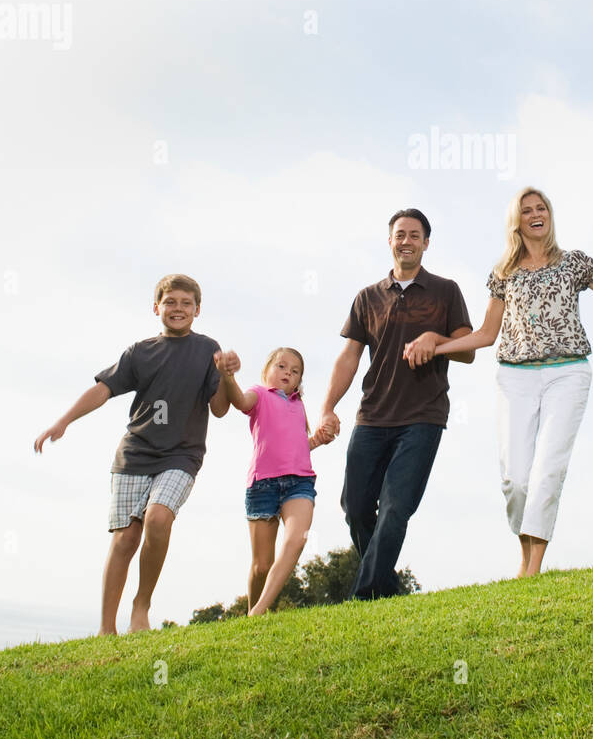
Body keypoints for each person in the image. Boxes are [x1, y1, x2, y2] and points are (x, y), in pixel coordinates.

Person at [408, 187, 593, 577]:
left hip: (568, 372)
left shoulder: (574, 262)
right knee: (515, 478)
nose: (535, 214)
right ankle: (525, 552)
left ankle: (532, 569)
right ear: (518, 221)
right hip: (515, 376)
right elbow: (485, 334)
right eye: (526, 210)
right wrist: (438, 345)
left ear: (549, 215)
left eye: (541, 207)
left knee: (548, 469)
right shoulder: (503, 272)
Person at [33, 274, 234, 633]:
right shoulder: (140, 352)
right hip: (135, 454)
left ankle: (142, 604)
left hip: (181, 456)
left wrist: (226, 376)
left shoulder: (208, 350)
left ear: (197, 310)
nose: (178, 309)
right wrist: (63, 421)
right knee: (125, 538)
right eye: (170, 302)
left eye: (186, 303)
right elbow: (103, 389)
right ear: (156, 307)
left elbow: (219, 409)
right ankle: (106, 629)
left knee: (158, 518)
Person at [316, 209, 473, 601]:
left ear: (426, 243)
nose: (407, 241)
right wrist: (328, 407)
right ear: (389, 241)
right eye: (400, 234)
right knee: (354, 507)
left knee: (395, 507)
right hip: (372, 416)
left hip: (423, 416)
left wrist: (434, 339)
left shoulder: (446, 290)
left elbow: (469, 348)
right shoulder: (367, 297)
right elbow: (349, 355)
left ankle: (365, 594)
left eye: (414, 235)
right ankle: (387, 589)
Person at [217, 346, 336, 616]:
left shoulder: (298, 404)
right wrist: (228, 377)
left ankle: (258, 611)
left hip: (299, 482)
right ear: (267, 370)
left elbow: (297, 448)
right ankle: (254, 617)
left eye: (295, 372)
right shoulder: (259, 394)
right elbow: (239, 401)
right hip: (263, 485)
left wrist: (317, 439)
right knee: (261, 565)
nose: (288, 373)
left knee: (296, 540)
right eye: (281, 366)